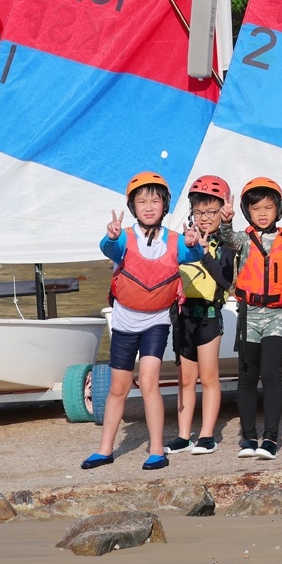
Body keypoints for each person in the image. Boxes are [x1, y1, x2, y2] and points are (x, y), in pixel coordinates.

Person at [84, 172, 198, 471]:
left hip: (156, 322)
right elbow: (109, 248)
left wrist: (193, 244)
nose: (149, 207)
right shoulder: (123, 237)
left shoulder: (175, 240)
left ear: (165, 205)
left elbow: (192, 254)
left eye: (155, 201)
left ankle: (157, 450)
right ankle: (105, 449)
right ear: (133, 206)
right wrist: (110, 237)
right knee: (118, 387)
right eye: (142, 201)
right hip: (125, 323)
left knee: (149, 382)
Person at [167, 175, 237, 455]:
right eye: (199, 212)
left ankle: (207, 435)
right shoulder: (183, 242)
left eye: (211, 212)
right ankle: (183, 436)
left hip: (209, 316)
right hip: (184, 317)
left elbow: (225, 280)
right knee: (186, 380)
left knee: (208, 377)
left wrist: (206, 253)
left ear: (222, 212)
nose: (205, 218)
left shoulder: (228, 245)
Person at [231, 177, 282, 460]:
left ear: (278, 209)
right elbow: (225, 237)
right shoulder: (243, 240)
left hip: (276, 317)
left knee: (271, 375)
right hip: (249, 316)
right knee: (247, 377)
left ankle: (270, 438)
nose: (262, 213)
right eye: (255, 208)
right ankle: (248, 438)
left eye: (268, 207)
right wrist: (225, 221)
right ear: (247, 211)